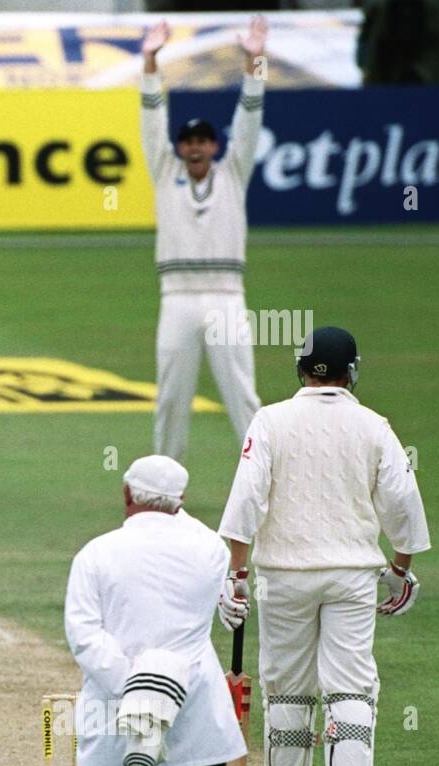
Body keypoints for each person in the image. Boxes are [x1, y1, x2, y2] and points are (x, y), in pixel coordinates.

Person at [217, 327, 430, 766]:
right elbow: (402, 502)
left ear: (300, 370)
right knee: (350, 686)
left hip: (284, 576)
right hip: (351, 576)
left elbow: (247, 498)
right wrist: (400, 568)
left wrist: (235, 576)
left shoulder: (270, 421)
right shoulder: (373, 425)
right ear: (350, 372)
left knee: (288, 684)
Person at [65, 456, 246, 766]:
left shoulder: (96, 553)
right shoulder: (211, 549)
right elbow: (196, 530)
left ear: (126, 495)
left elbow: (84, 637)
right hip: (195, 720)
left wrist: (135, 691)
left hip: (113, 723)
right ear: (180, 502)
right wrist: (159, 693)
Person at [139, 17, 267, 461]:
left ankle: (265, 480)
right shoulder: (164, 171)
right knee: (171, 399)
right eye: (188, 141)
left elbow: (249, 118)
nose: (194, 148)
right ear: (180, 147)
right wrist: (150, 62)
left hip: (227, 296)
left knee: (243, 398)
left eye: (203, 141)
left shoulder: (233, 173)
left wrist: (255, 61)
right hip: (176, 298)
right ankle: (163, 489)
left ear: (215, 146)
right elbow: (152, 122)